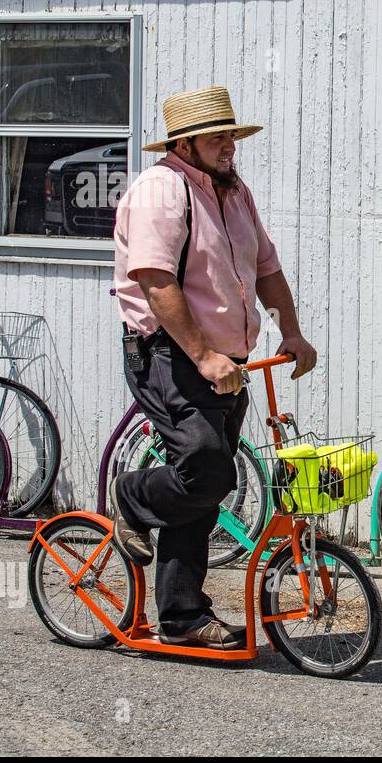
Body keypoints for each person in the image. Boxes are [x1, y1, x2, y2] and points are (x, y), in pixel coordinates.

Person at [111, 85, 317, 649]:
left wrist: (291, 332)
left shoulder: (234, 192)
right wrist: (202, 355)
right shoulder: (161, 190)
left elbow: (267, 270)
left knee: (201, 490)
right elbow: (154, 278)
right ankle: (131, 496)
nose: (229, 145)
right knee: (208, 470)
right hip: (169, 355)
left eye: (232, 135)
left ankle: (181, 618)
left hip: (229, 363)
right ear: (185, 142)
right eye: (217, 137)